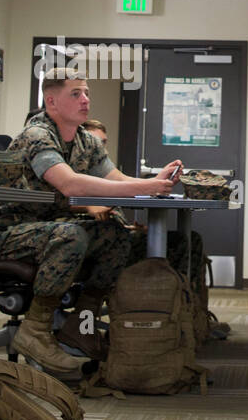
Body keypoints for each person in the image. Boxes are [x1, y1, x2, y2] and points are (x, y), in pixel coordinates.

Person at [0, 69, 180, 378]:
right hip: (6, 232)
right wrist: (144, 187)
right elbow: (69, 185)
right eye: (76, 94)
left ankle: (80, 323)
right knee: (71, 234)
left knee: (114, 232)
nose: (85, 99)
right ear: (51, 101)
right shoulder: (37, 135)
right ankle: (35, 330)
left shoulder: (86, 140)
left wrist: (153, 181)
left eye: (86, 93)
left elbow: (118, 180)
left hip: (49, 231)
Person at [80, 119, 228, 344]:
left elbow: (123, 191)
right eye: (95, 143)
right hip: (95, 243)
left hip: (118, 234)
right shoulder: (73, 172)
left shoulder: (104, 173)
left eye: (104, 143)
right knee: (175, 245)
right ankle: (163, 319)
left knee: (188, 240)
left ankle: (189, 314)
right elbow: (62, 201)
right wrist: (88, 207)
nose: (101, 149)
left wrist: (133, 227)